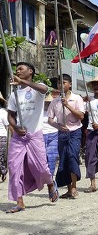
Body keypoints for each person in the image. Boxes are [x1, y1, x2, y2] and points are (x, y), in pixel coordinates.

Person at [6, 62, 59, 213]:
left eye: (20, 69)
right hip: (18, 137)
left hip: (35, 135)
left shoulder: (37, 87)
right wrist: (15, 127)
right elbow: (11, 115)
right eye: (16, 70)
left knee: (41, 167)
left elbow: (44, 89)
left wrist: (22, 81)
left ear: (30, 72)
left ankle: (50, 183)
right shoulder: (14, 93)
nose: (17, 71)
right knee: (14, 168)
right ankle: (19, 202)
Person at [47, 74, 86, 199]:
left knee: (72, 156)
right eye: (59, 83)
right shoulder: (54, 101)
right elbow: (50, 119)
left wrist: (68, 106)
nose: (61, 85)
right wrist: (58, 127)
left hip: (75, 131)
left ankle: (74, 187)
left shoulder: (77, 99)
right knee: (63, 159)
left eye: (64, 82)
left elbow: (81, 116)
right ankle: (69, 189)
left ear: (69, 85)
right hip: (62, 132)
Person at [42, 93, 59, 177]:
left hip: (53, 134)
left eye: (50, 103)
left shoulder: (56, 111)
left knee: (52, 156)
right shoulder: (39, 112)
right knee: (42, 156)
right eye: (46, 103)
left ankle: (50, 175)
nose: (48, 104)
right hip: (42, 135)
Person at [0, 92, 9, 182]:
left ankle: (3, 171)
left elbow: (8, 125)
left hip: (1, 136)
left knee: (1, 156)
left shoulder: (3, 112)